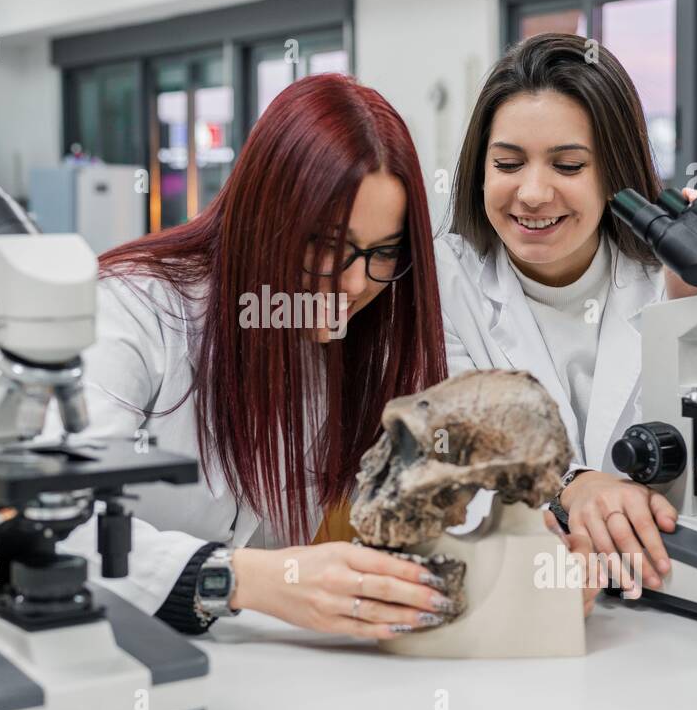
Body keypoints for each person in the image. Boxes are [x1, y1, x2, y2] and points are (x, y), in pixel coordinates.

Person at [60, 73, 459, 639]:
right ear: (265, 215)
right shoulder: (133, 309)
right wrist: (244, 580)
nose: (351, 285)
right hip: (107, 650)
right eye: (326, 244)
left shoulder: (366, 336)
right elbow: (60, 522)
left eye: (381, 252)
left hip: (262, 669)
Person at [438, 32, 697, 594]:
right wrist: (568, 484)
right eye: (507, 163)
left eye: (568, 166)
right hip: (526, 592)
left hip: (670, 577)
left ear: (616, 175)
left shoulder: (669, 278)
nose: (532, 192)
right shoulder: (445, 281)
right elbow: (450, 462)